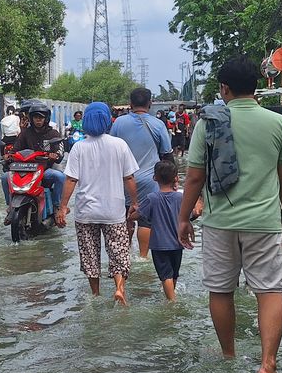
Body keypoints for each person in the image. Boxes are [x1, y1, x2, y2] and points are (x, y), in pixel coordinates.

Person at [177, 56, 282, 373]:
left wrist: (183, 218)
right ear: (257, 87)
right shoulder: (278, 124)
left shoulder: (208, 123)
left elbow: (193, 178)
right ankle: (268, 363)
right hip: (264, 222)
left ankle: (228, 353)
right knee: (270, 290)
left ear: (224, 89)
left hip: (219, 223)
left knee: (220, 291)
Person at [54, 102, 139, 305]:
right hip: (114, 211)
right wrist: (135, 202)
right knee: (118, 252)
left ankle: (95, 294)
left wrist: (63, 207)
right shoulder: (119, 145)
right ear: (108, 119)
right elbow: (129, 178)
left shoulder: (79, 148)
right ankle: (119, 289)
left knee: (90, 255)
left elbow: (71, 180)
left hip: (86, 212)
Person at [111, 87, 173, 260]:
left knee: (126, 217)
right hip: (150, 181)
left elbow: (112, 150)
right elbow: (167, 155)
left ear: (130, 104)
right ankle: (143, 257)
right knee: (146, 220)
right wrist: (173, 181)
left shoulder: (118, 123)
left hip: (123, 180)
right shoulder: (158, 124)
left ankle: (125, 254)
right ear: (150, 103)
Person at [135, 159, 186, 300]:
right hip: (177, 243)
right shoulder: (180, 197)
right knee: (174, 274)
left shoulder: (152, 198)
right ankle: (171, 295)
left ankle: (172, 301)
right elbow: (190, 215)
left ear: (154, 178)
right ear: (176, 178)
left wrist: (130, 214)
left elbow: (139, 215)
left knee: (165, 276)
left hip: (159, 245)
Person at [1, 101, 64, 209]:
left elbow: (60, 151)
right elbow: (15, 149)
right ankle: (10, 206)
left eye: (41, 117)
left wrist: (56, 155)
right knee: (4, 177)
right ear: (31, 118)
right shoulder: (25, 133)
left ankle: (57, 206)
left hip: (44, 169)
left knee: (60, 177)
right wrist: (8, 155)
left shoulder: (53, 134)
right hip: (26, 169)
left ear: (46, 119)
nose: (38, 120)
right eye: (36, 117)